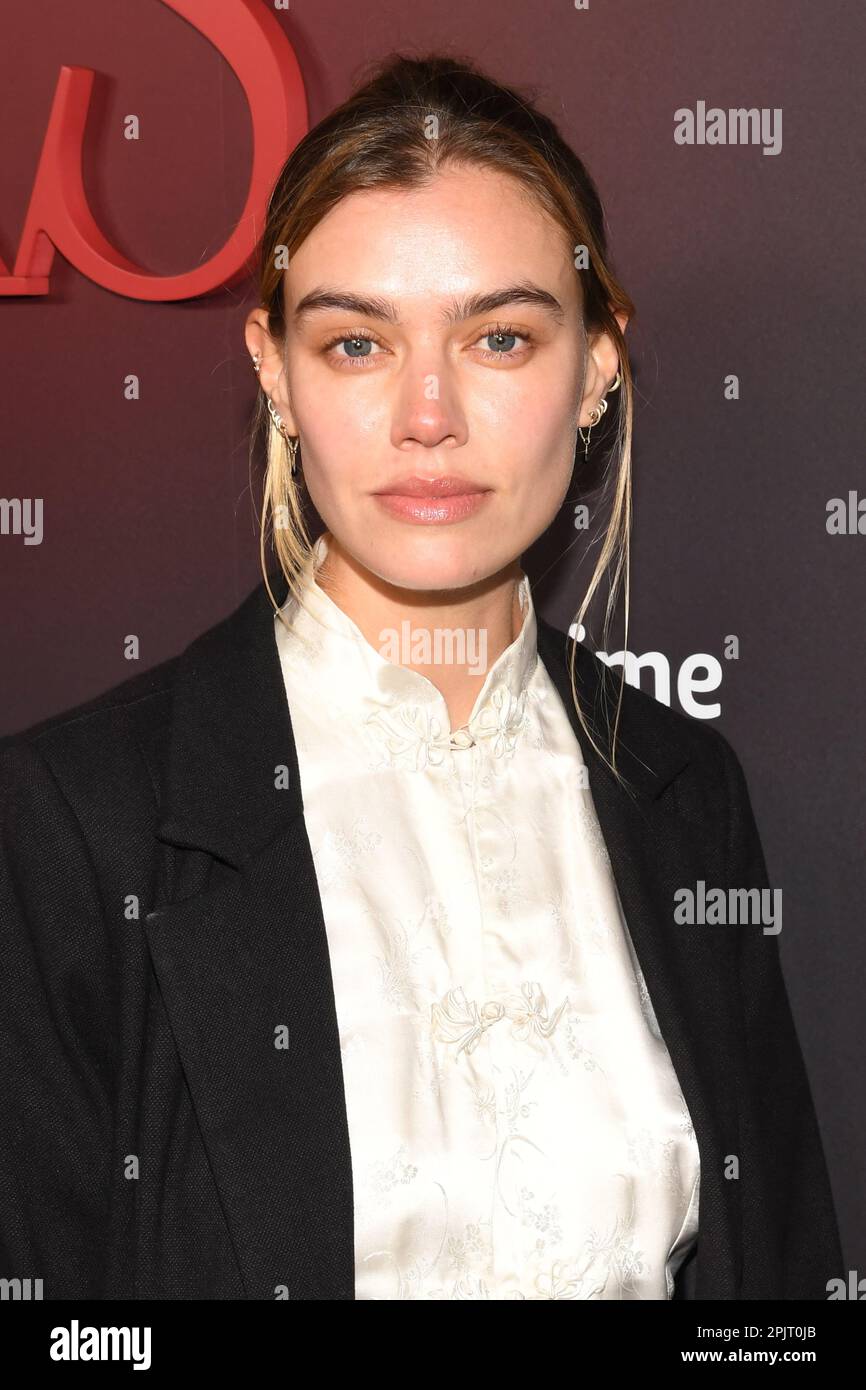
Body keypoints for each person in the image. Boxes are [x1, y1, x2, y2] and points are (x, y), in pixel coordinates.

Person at [0, 53, 842, 1300]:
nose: (428, 413)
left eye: (498, 335)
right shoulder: (75, 822)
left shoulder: (680, 789)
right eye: (355, 343)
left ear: (598, 365)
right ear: (275, 373)